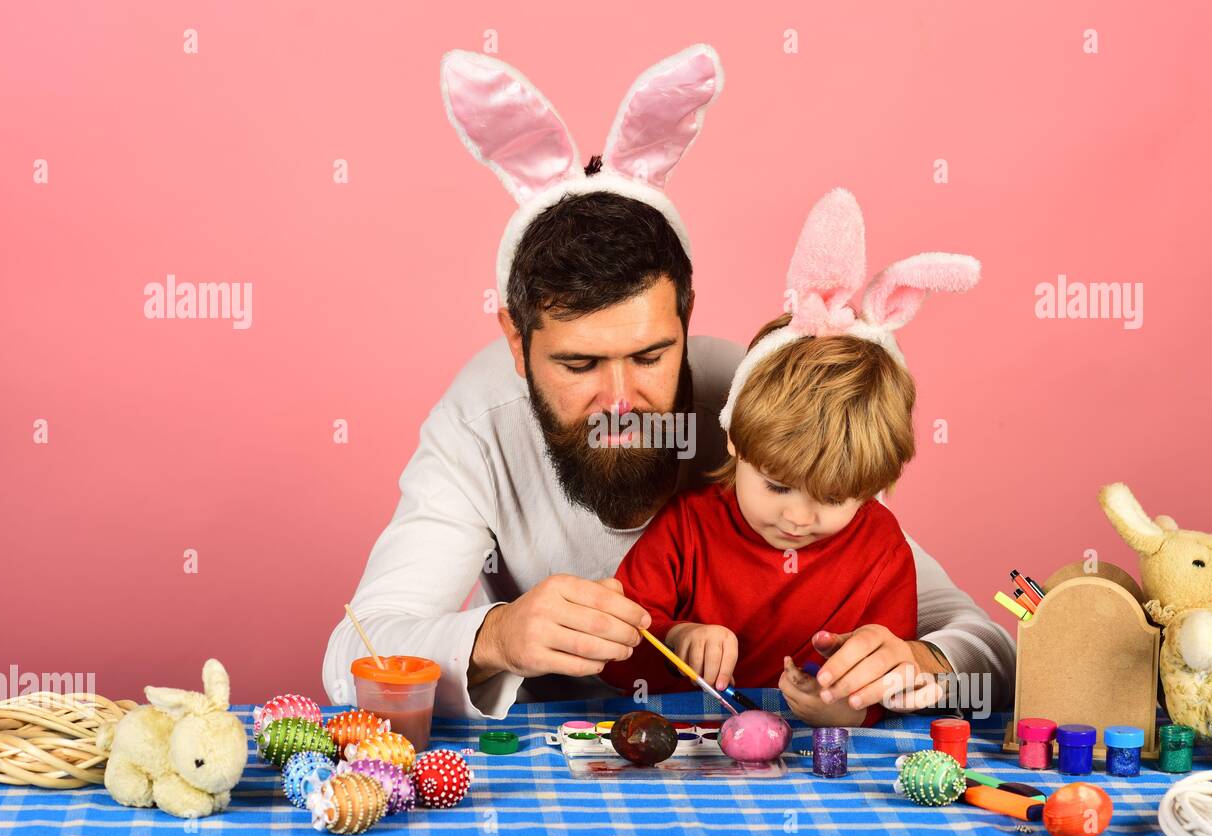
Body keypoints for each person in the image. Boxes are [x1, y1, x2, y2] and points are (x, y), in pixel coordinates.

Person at [322, 45, 1015, 719]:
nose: (621, 402)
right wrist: (494, 636)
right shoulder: (479, 423)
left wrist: (919, 666)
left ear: (687, 316)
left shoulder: (754, 402)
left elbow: (984, 644)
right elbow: (357, 649)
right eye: (580, 364)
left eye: (651, 355)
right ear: (516, 338)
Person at [601, 188, 981, 728]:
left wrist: (848, 706)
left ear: (874, 482)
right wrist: (678, 638)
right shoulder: (686, 530)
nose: (799, 518)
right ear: (734, 439)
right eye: (777, 486)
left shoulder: (881, 550)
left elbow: (889, 684)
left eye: (832, 498)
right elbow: (615, 657)